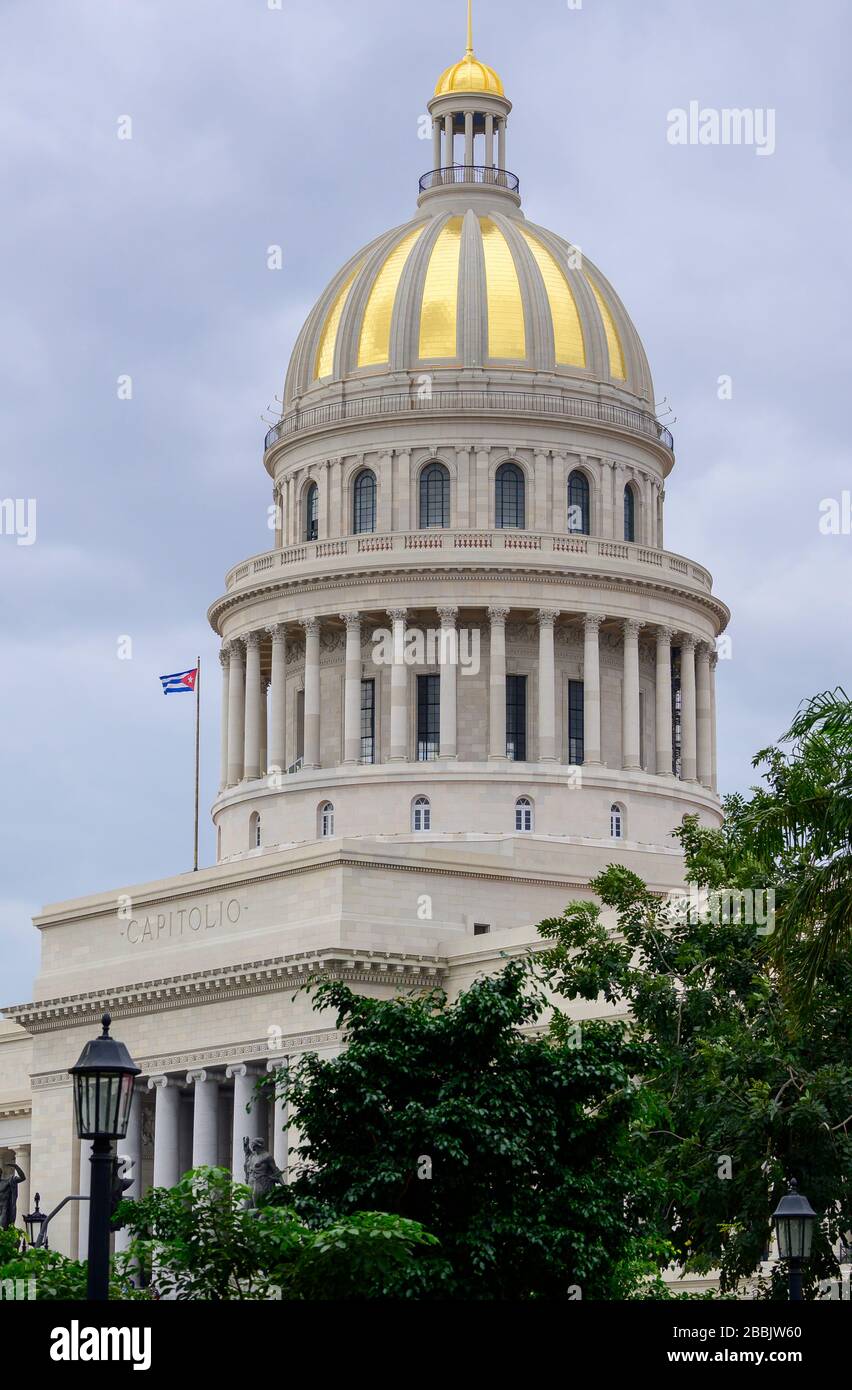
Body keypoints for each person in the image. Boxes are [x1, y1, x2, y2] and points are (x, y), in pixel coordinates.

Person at [0, 1161, 26, 1229]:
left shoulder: (8, 1181)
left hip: (4, 1209)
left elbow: (22, 1178)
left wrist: (16, 1167)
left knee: (2, 1226)